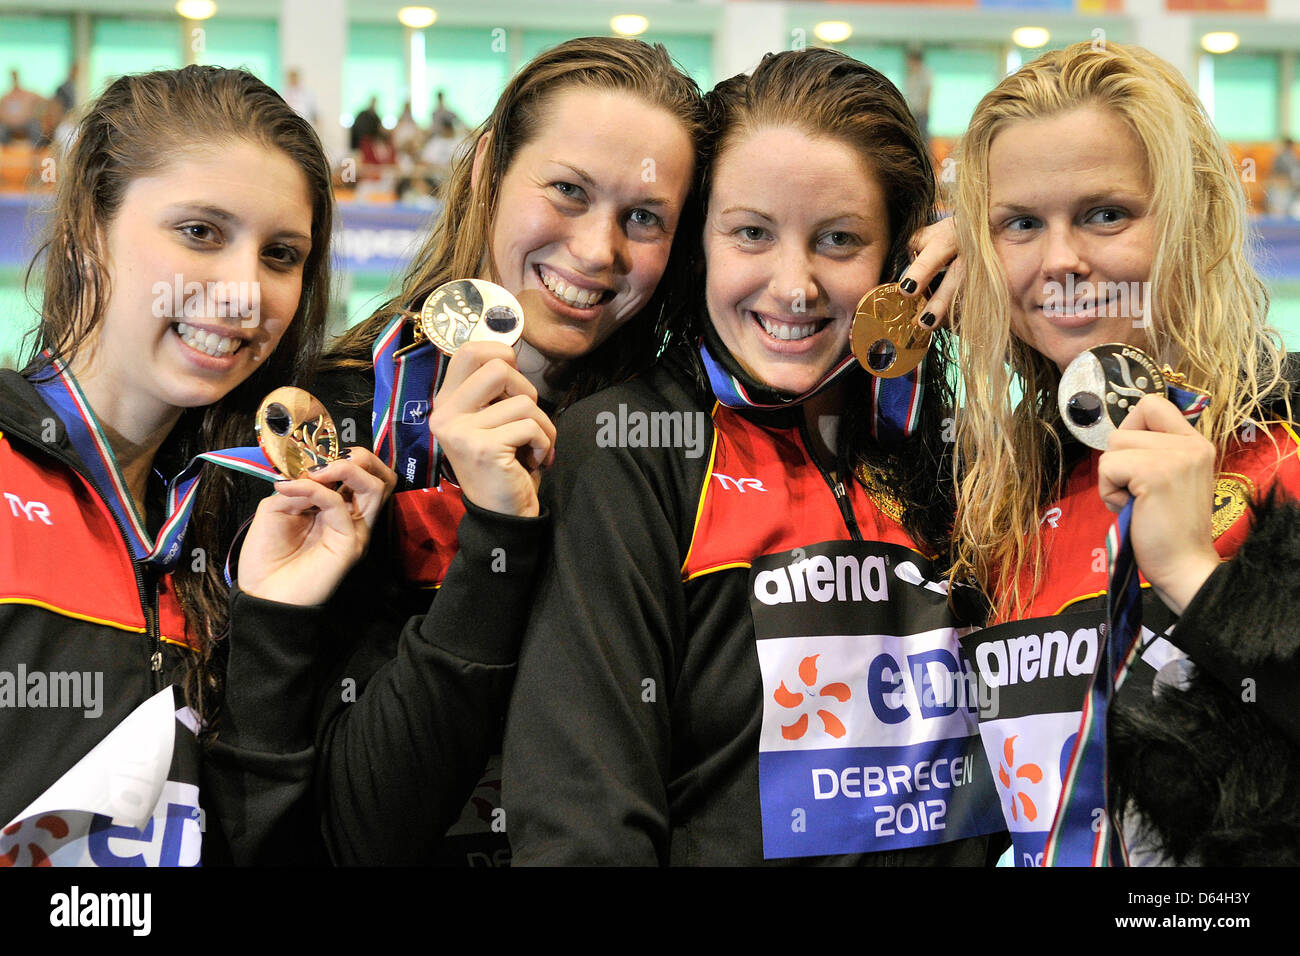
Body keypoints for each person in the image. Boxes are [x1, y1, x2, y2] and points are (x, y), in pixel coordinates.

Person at [500, 48, 1001, 865]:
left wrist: (1006, 264)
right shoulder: (631, 449)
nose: (794, 287)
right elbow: (582, 826)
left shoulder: (962, 464)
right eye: (752, 234)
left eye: (839, 240)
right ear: (702, 245)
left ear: (901, 258)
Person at [309, 36, 708, 865]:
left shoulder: (677, 445)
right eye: (567, 190)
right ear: (490, 166)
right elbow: (358, 830)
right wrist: (496, 534)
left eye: (644, 218)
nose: (600, 251)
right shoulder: (337, 421)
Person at [0, 66, 394, 866]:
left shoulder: (245, 517)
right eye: (200, 233)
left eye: (281, 254)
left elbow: (260, 840)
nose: (245, 293)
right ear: (86, 230)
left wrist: (275, 624)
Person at [949, 42, 1300, 865]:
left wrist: (1190, 574)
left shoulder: (1284, 448)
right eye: (1020, 225)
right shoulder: (999, 500)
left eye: (1106, 214)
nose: (1061, 260)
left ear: (1194, 219)